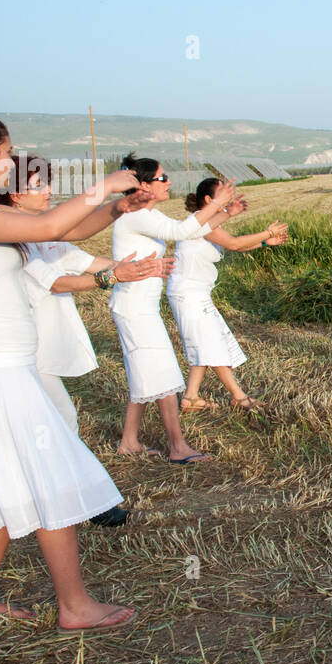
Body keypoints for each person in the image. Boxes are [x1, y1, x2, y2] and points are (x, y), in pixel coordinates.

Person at [0, 107, 149, 632]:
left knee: (3, 485)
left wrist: (117, 207)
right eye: (5, 152)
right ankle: (74, 606)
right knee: (53, 479)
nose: (10, 161)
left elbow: (58, 234)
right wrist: (102, 184)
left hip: (6, 367)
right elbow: (49, 222)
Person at [0, 155, 172, 527]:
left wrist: (137, 268)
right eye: (39, 185)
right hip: (21, 350)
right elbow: (53, 281)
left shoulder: (43, 233)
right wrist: (113, 278)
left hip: (40, 347)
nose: (49, 192)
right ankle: (80, 503)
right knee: (57, 422)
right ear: (12, 195)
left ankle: (54, 503)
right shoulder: (10, 237)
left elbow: (83, 258)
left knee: (53, 424)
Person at [109, 153, 237, 463]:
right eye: (162, 178)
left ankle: (129, 441)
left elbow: (189, 231)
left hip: (141, 305)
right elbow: (182, 232)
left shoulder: (147, 215)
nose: (169, 183)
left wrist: (223, 213)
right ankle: (178, 448)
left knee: (146, 372)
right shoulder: (137, 215)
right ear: (143, 185)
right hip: (134, 307)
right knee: (163, 374)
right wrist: (214, 204)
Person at [169, 177, 288, 411]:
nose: (230, 197)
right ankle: (239, 397)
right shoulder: (197, 222)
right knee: (211, 343)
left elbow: (238, 246)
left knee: (206, 342)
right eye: (224, 193)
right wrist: (266, 233)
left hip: (197, 293)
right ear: (208, 199)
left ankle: (191, 397)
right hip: (188, 294)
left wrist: (265, 243)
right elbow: (233, 244)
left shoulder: (211, 225)